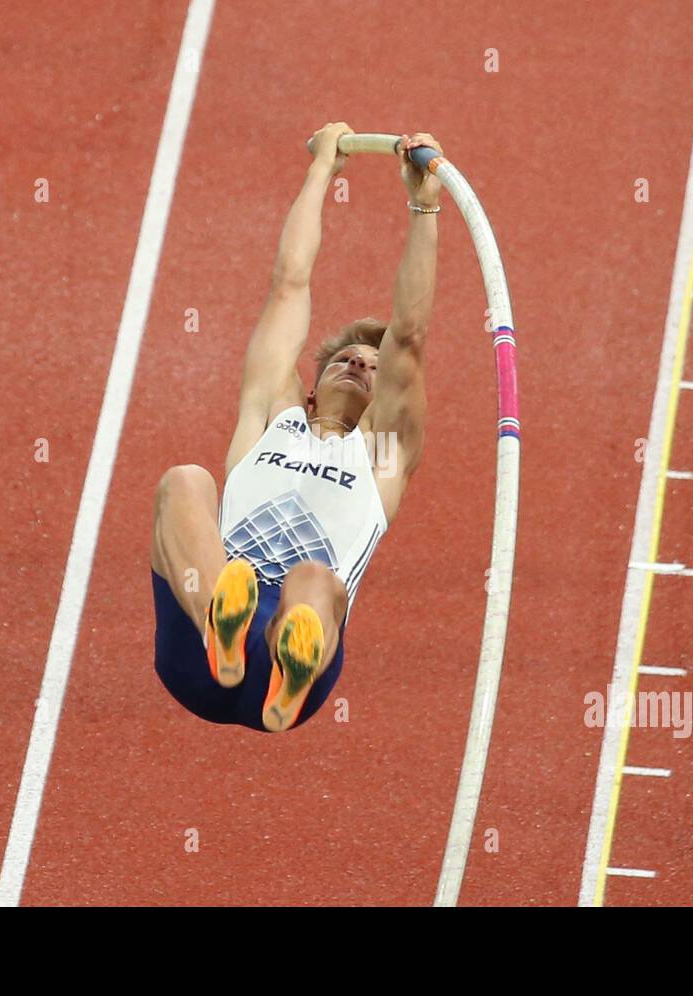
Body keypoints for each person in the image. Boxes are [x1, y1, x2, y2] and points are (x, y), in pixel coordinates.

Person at [150, 122, 442, 732]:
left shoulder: (382, 452)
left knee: (314, 579)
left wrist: (424, 204)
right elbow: (289, 285)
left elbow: (409, 334)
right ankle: (220, 625)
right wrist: (320, 173)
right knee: (185, 481)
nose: (361, 363)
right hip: (196, 653)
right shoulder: (271, 419)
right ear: (311, 387)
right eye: (346, 359)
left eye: (373, 365)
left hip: (293, 664)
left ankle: (292, 659)